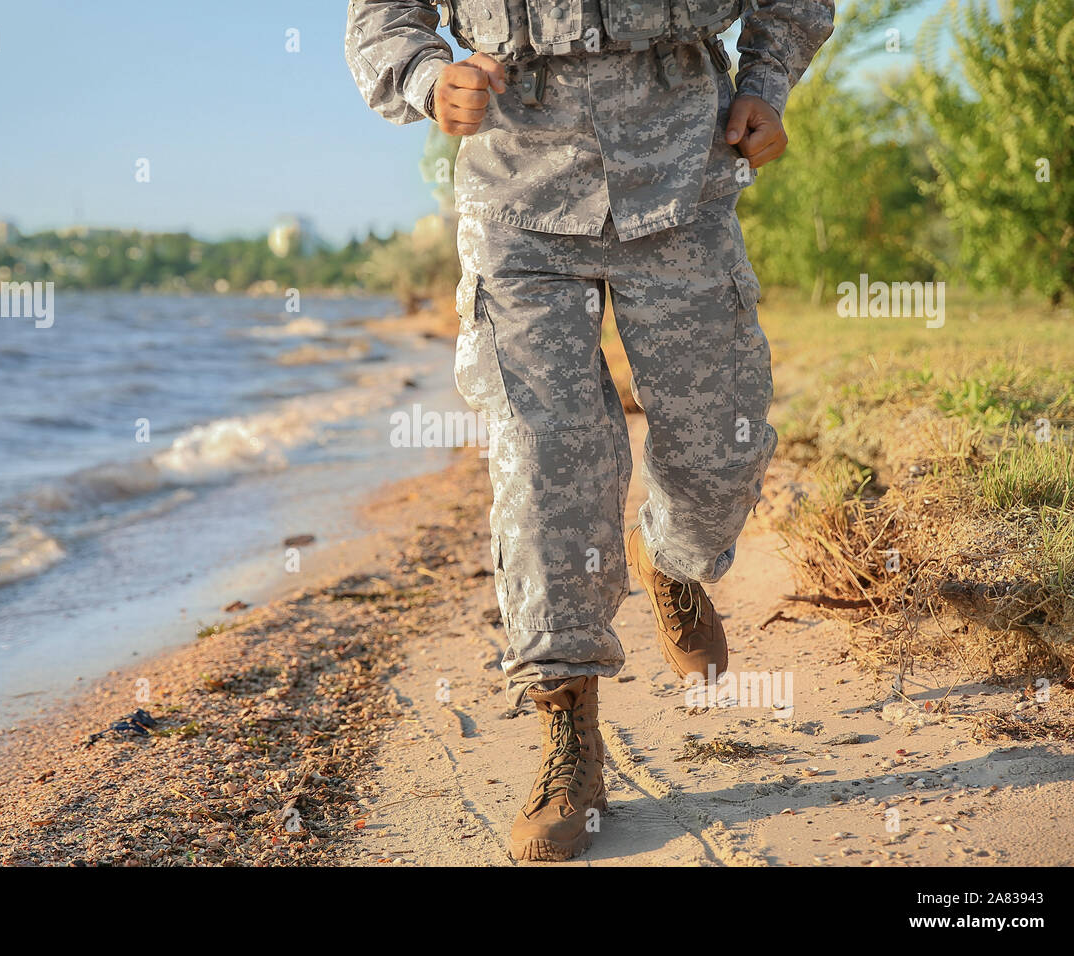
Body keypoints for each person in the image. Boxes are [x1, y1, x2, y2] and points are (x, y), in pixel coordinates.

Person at [346, 0, 834, 861]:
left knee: (719, 445)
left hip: (682, 170)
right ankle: (567, 731)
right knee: (545, 462)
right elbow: (383, 17)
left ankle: (671, 559)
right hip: (516, 197)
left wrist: (766, 83)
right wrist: (429, 80)